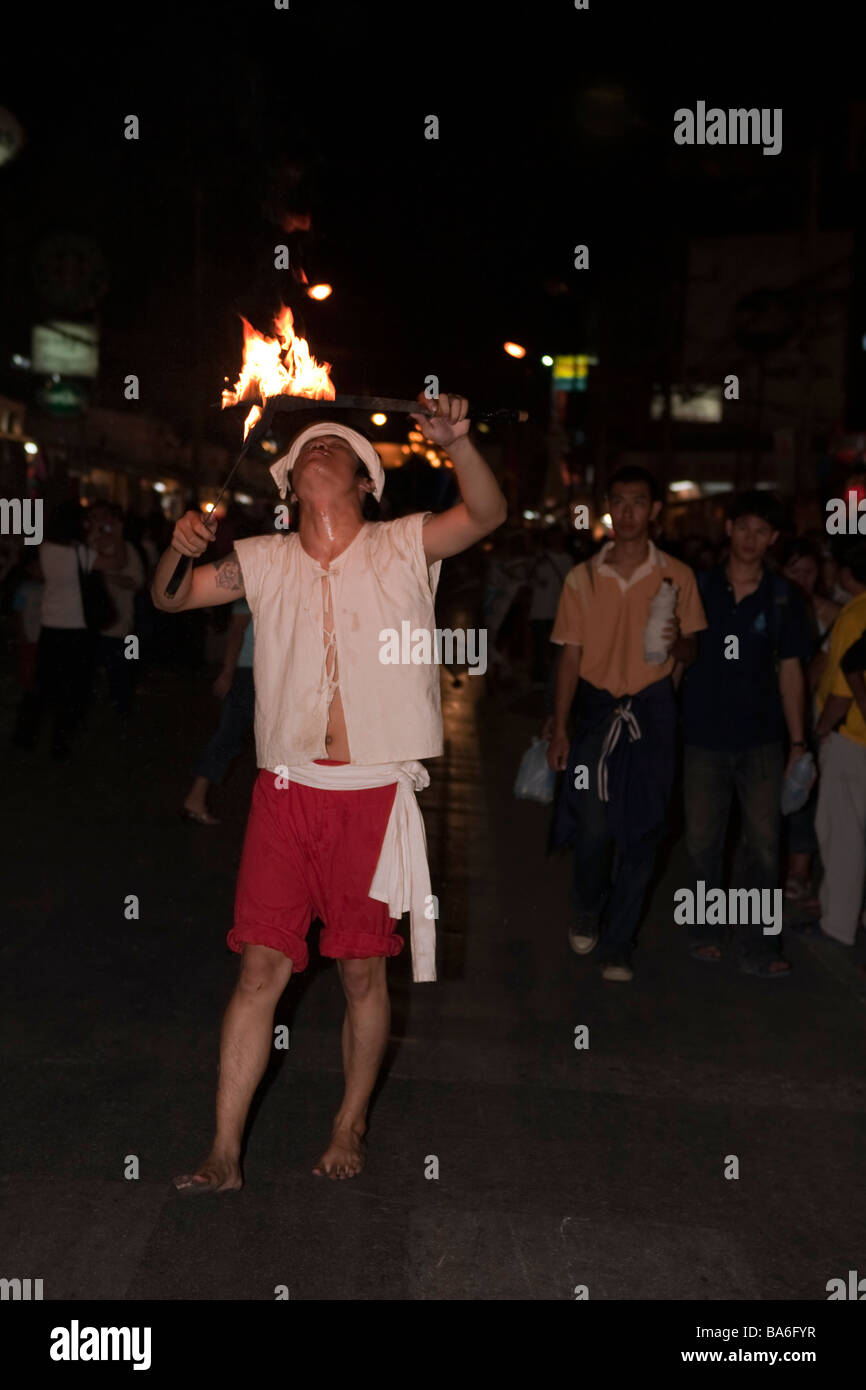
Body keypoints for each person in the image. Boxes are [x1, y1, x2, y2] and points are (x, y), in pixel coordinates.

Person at [152, 393, 507, 1191]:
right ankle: (223, 1151)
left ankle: (349, 1121)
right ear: (287, 483)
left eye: (333, 447)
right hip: (287, 793)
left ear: (364, 479)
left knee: (358, 973)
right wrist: (176, 549)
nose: (315, 451)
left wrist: (458, 442)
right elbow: (170, 597)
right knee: (258, 970)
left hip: (374, 797)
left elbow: (485, 511)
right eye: (304, 447)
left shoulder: (405, 543)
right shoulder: (264, 556)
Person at [546, 466, 706, 983]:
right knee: (593, 826)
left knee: (644, 830)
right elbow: (569, 657)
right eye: (621, 501)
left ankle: (619, 943)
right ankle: (587, 908)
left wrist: (677, 638)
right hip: (595, 713)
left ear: (655, 510)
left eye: (640, 502)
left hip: (652, 713)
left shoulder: (677, 575)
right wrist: (561, 726)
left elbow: (691, 651)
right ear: (609, 508)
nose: (630, 512)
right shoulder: (583, 577)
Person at [680, 491, 811, 977]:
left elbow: (792, 671)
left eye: (763, 531)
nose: (752, 539)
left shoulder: (782, 598)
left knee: (764, 846)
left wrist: (798, 744)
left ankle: (761, 945)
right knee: (701, 843)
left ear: (773, 539)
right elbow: (677, 653)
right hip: (702, 736)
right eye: (745, 527)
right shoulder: (698, 587)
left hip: (762, 739)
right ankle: (706, 930)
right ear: (729, 528)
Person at [10, 500, 122, 759]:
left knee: (41, 685)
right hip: (76, 627)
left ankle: (25, 735)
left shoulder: (47, 548)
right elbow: (116, 562)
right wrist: (114, 536)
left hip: (50, 624)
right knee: (72, 689)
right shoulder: (79, 553)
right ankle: (60, 743)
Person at [780, 536, 840, 909]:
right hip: (772, 716)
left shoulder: (831, 614)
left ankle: (799, 871)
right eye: (795, 571)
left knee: (804, 794)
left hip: (813, 717)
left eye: (809, 571)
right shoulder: (772, 605)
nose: (802, 578)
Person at [812, 537, 866, 947]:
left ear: (847, 573)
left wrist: (820, 730)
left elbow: (844, 687)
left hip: (851, 738)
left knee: (841, 834)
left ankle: (837, 925)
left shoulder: (853, 616)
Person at [182, 597, 255, 824]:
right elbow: (237, 633)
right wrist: (227, 673)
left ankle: (196, 797)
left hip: (257, 672)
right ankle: (195, 797)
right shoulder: (248, 595)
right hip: (248, 674)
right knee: (231, 737)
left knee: (231, 737)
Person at [86, 501, 145, 721]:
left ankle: (121, 708)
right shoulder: (86, 546)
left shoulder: (126, 548)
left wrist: (106, 577)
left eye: (103, 516)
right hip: (90, 620)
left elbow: (137, 581)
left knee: (121, 667)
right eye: (94, 517)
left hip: (119, 621)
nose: (99, 522)